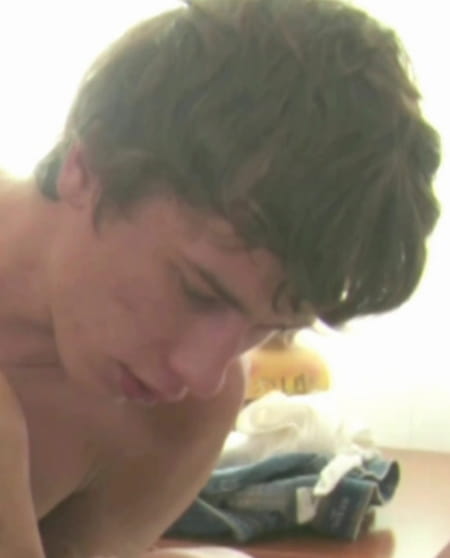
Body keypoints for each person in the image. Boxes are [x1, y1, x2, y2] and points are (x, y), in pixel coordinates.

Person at [0, 0, 441, 556]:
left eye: (268, 326)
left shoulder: (178, 414)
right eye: (198, 292)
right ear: (87, 170)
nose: (202, 372)